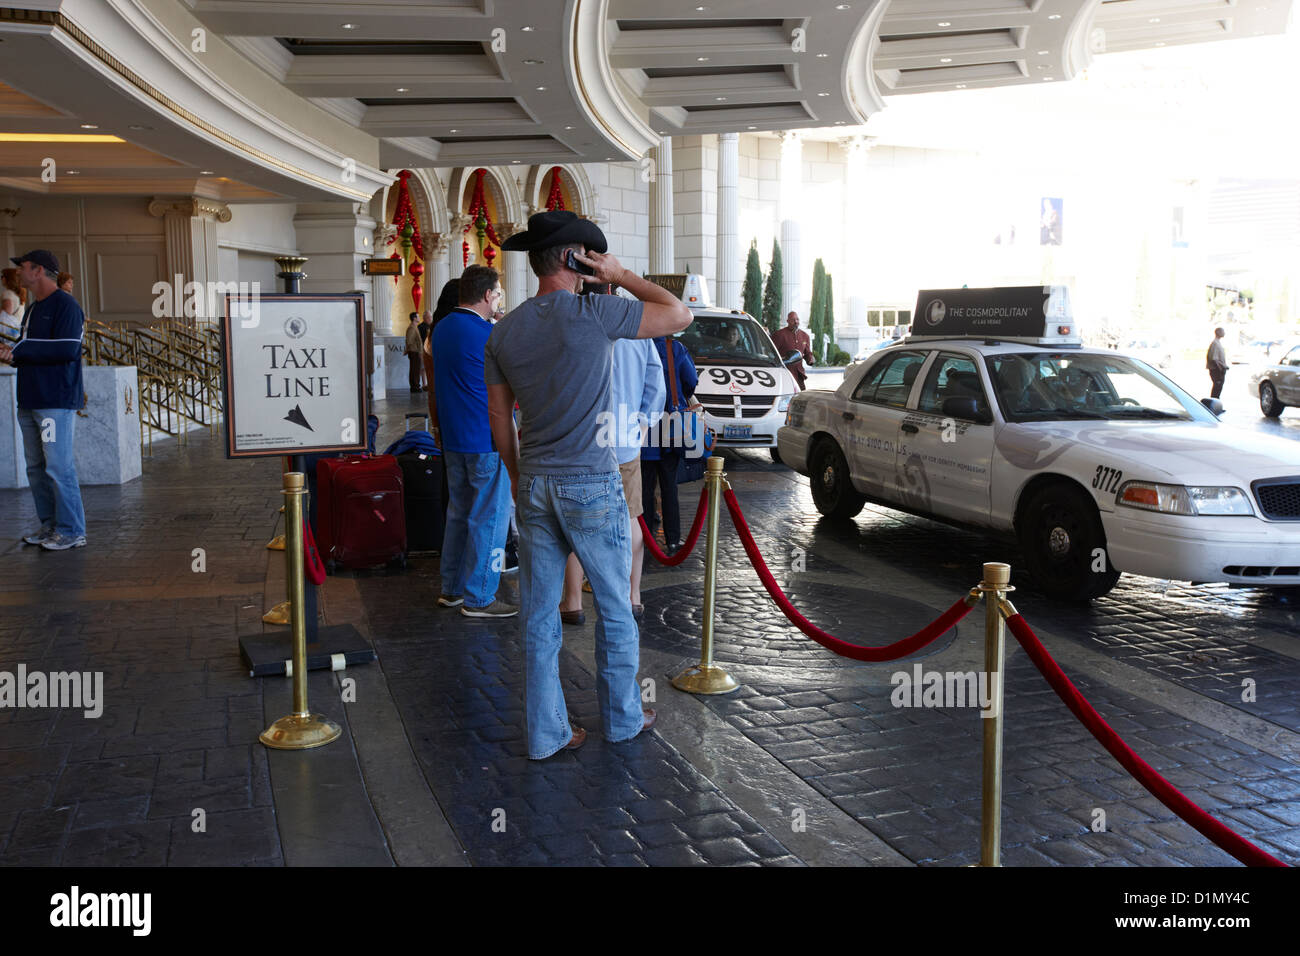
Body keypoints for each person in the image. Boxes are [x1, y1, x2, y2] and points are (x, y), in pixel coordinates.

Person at [486, 210, 691, 759]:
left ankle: (545, 733)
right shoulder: (594, 312)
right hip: (593, 482)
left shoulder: (502, 331)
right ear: (576, 259)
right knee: (617, 609)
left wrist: (517, 475)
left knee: (538, 614)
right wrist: (620, 274)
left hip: (535, 482)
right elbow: (678, 313)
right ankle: (623, 719)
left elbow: (500, 423)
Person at [559, 284, 664, 625]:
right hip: (623, 437)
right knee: (632, 517)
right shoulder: (635, 327)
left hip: (582, 440)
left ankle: (572, 602)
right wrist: (643, 425)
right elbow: (655, 381)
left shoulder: (575, 321)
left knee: (576, 521)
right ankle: (633, 596)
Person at [429, 265, 516, 618]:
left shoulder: (443, 327)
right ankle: (480, 596)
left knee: (459, 514)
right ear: (486, 295)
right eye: (496, 293)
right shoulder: (489, 333)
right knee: (490, 518)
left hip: (454, 436)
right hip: (487, 436)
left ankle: (451, 589)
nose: (497, 299)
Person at [0, 250, 87, 550]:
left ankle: (72, 530)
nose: (19, 273)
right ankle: (50, 526)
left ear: (38, 271)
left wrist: (21, 351)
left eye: (23, 267)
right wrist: (12, 355)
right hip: (30, 400)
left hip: (54, 401)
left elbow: (67, 349)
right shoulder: (35, 308)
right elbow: (31, 350)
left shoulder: (66, 306)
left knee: (58, 467)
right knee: (36, 466)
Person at [642, 334, 698, 553]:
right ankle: (673, 539)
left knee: (644, 488)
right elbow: (691, 380)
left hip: (643, 425)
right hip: (670, 425)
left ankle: (645, 538)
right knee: (669, 486)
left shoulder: (637, 346)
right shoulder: (675, 348)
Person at [772, 310, 815, 390]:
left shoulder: (805, 336)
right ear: (788, 321)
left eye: (797, 319)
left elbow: (807, 353)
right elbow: (771, 353)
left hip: (799, 375)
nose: (796, 322)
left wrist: (810, 359)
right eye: (793, 320)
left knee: (800, 398)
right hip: (785, 375)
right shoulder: (779, 335)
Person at [1206, 327, 1228, 399]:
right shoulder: (1215, 343)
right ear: (1218, 332)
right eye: (1223, 331)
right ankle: (1213, 404)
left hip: (1219, 369)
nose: (1224, 333)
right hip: (1216, 370)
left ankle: (1215, 402)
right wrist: (1220, 369)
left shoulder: (1218, 342)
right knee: (1217, 387)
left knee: (1218, 388)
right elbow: (1214, 359)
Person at [404, 311, 423, 392]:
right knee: (415, 370)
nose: (419, 318)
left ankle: (415, 386)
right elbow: (409, 340)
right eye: (418, 316)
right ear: (414, 318)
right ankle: (415, 387)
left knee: (416, 369)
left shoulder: (414, 327)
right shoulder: (412, 328)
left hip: (415, 351)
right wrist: (414, 348)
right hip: (414, 352)